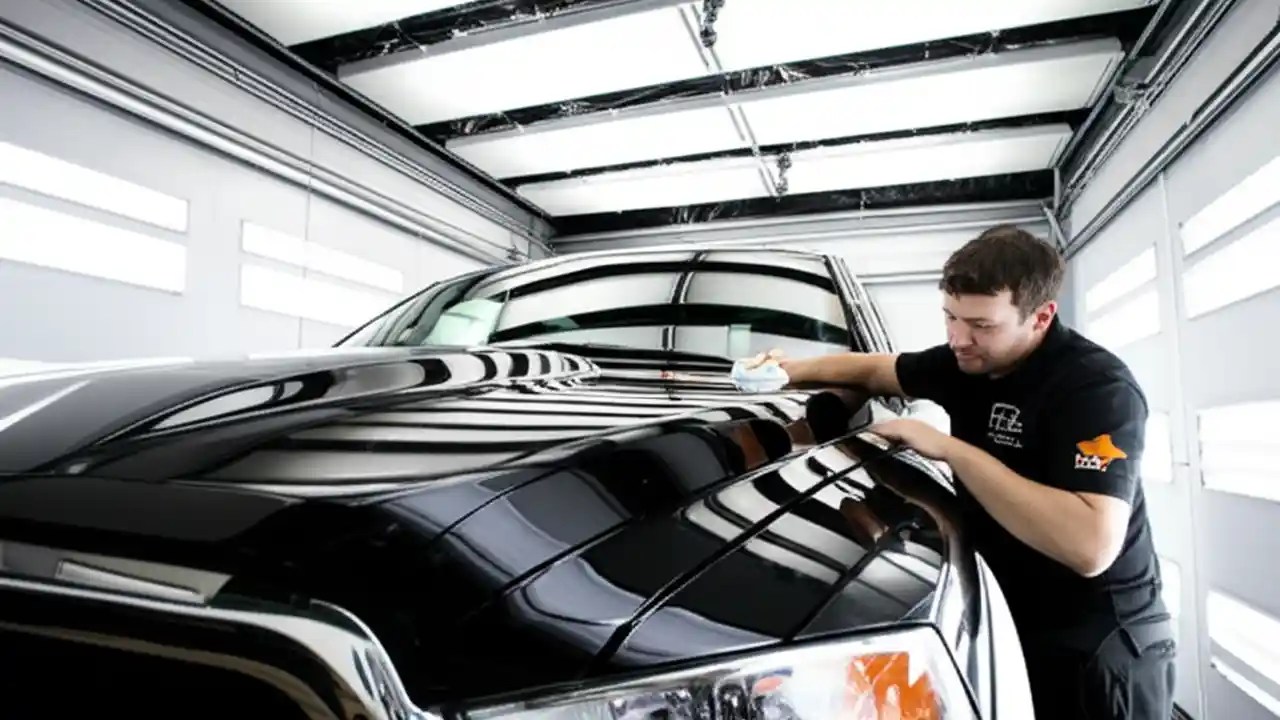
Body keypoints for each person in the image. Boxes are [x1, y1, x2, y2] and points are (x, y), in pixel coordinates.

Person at [761, 225, 1176, 719]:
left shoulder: (1097, 389)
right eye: (950, 316)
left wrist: (949, 450)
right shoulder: (967, 363)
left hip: (1102, 647)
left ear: (1041, 317)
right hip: (1018, 626)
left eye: (981, 324)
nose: (958, 339)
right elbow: (873, 370)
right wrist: (785, 369)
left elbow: (1089, 546)